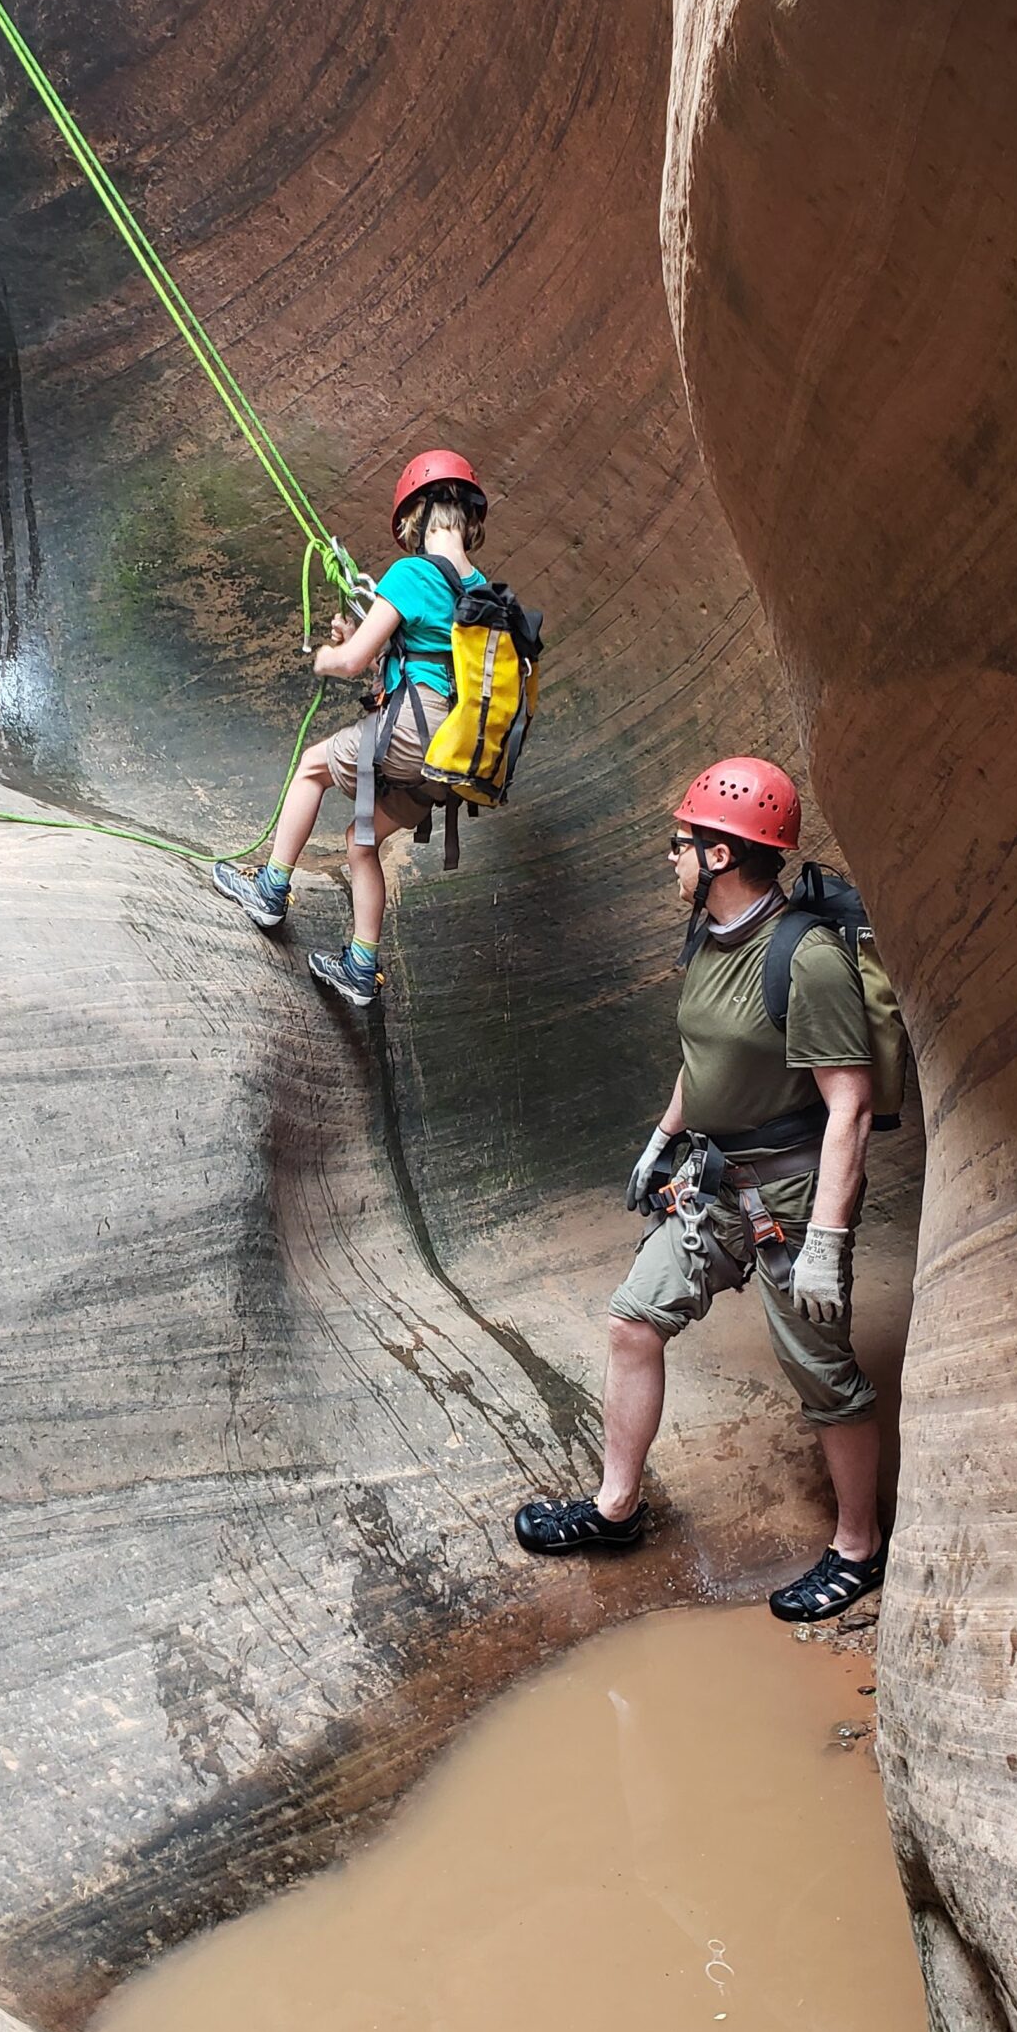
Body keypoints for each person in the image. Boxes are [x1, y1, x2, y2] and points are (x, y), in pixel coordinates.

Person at [512, 756, 886, 1624]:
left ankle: (859, 1548)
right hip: (712, 1181)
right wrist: (664, 1136)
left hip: (790, 1199)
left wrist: (826, 1244)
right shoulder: (709, 938)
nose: (669, 857)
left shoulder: (809, 959)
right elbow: (705, 1055)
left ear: (721, 856)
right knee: (633, 1320)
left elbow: (851, 1106)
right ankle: (615, 1510)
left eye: (680, 844)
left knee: (822, 1374)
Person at [212, 450, 490, 1009]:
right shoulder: (480, 588)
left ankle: (270, 890)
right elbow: (429, 649)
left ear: (415, 517)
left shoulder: (412, 573)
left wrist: (325, 656)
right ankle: (361, 966)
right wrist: (363, 634)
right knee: (361, 842)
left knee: (312, 769)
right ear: (469, 520)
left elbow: (351, 663)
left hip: (415, 731)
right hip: (454, 756)